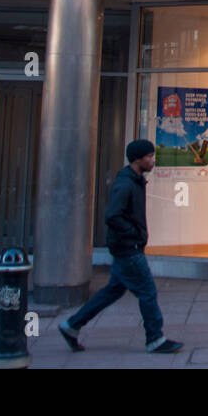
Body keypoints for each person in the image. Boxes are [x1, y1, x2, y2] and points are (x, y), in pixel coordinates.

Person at [59, 140, 183, 354]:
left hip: (126, 248)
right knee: (148, 292)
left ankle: (72, 325)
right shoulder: (126, 184)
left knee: (111, 292)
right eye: (149, 156)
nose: (153, 160)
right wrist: (134, 235)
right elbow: (113, 216)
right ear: (137, 159)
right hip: (128, 249)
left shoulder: (134, 180)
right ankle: (155, 339)